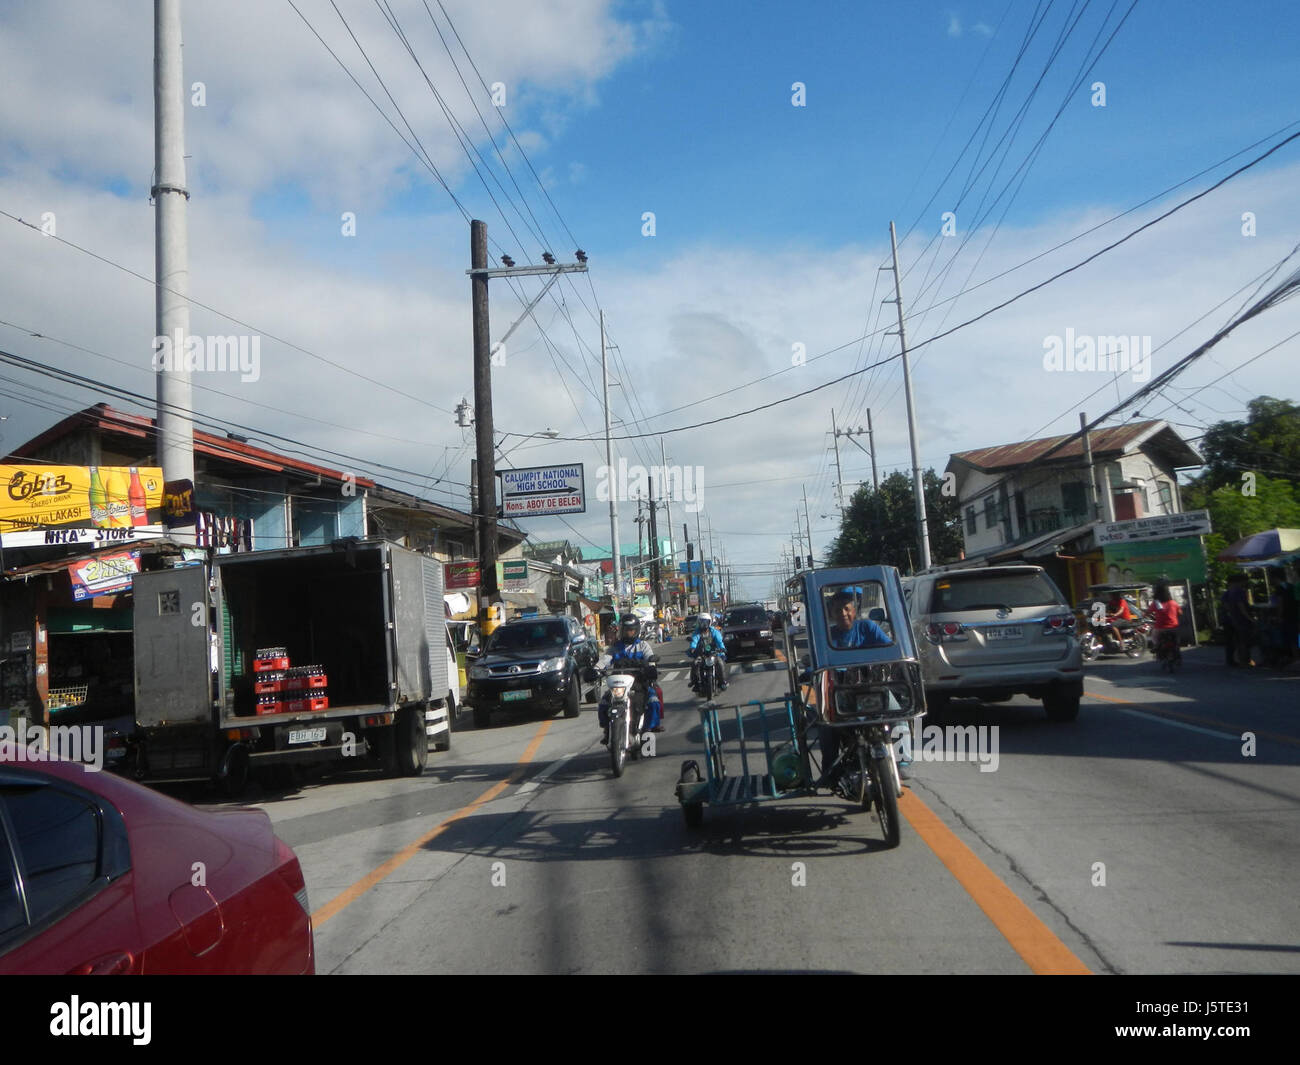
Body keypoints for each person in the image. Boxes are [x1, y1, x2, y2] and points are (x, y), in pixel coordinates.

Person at [598, 615, 663, 743]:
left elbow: (650, 657)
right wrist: (595, 669)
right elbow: (604, 661)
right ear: (621, 630)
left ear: (637, 630)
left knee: (653, 701)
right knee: (604, 703)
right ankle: (607, 730)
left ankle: (648, 730)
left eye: (632, 630)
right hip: (618, 685)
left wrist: (651, 664)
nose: (629, 633)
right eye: (626, 630)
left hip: (638, 683)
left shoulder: (643, 645)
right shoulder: (615, 647)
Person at [826, 590, 892, 649]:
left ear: (854, 611)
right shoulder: (828, 635)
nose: (843, 614)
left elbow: (890, 648)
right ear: (832, 614)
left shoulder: (867, 627)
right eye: (838, 610)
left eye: (847, 609)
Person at [687, 612, 727, 692]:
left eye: (706, 622)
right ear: (699, 622)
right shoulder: (697, 632)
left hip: (714, 653)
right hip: (701, 654)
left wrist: (722, 648)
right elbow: (694, 641)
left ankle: (722, 682)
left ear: (710, 622)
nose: (704, 624)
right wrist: (693, 648)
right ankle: (695, 683)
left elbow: (719, 642)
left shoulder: (714, 631)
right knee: (695, 664)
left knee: (720, 663)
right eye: (702, 622)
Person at [1221, 572, 1254, 667]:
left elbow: (1225, 606)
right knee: (1243, 641)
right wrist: (1249, 618)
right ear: (1241, 581)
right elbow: (1241, 606)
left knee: (1231, 641)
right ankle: (1245, 660)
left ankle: (1231, 660)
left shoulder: (1227, 592)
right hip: (1240, 619)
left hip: (1228, 619)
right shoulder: (1239, 591)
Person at [1144, 580, 1180, 662]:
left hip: (1160, 628)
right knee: (1177, 639)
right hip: (1173, 627)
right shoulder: (1173, 603)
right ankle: (1177, 648)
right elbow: (1180, 612)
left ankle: (1156, 646)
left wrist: (1144, 616)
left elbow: (1147, 613)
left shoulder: (1156, 603)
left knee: (1153, 636)